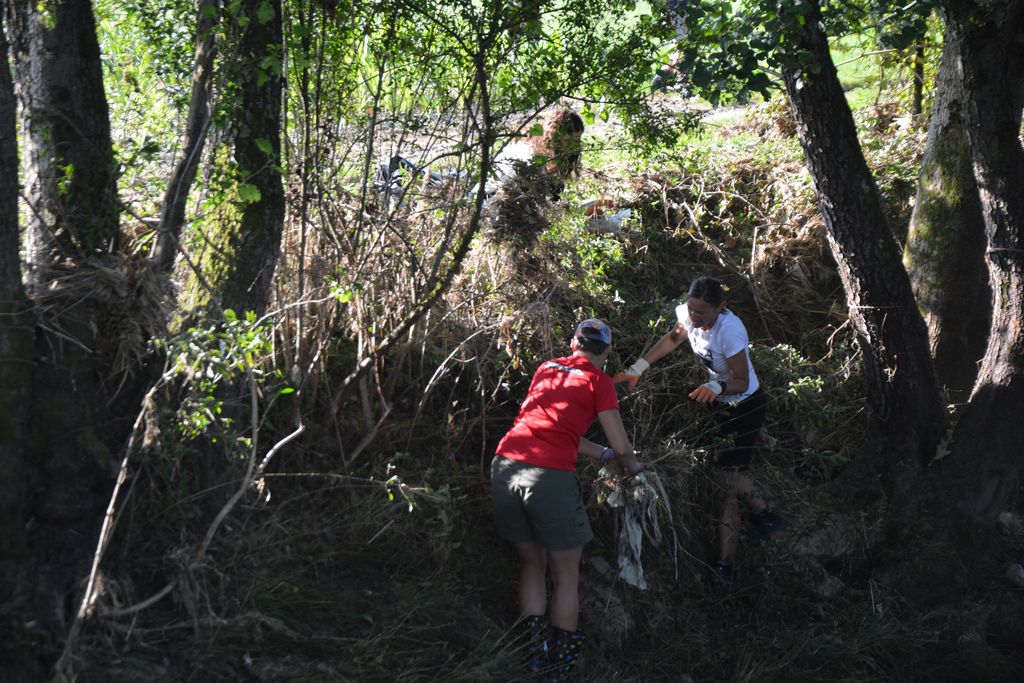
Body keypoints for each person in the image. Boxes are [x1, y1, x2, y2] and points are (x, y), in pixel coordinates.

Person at [491, 318, 643, 679]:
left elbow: (554, 429)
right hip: (548, 478)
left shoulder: (547, 368)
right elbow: (622, 444)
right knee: (566, 575)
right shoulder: (598, 380)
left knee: (533, 563)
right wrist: (636, 470)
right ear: (604, 352)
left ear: (574, 343)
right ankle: (559, 667)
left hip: (505, 465)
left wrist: (604, 455)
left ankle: (532, 653)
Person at [613, 276, 784, 592]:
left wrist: (716, 386)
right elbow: (674, 338)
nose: (694, 317)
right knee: (726, 476)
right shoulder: (687, 314)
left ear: (721, 307)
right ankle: (765, 516)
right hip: (716, 401)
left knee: (726, 483)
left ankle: (730, 561)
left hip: (744, 406)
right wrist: (638, 367)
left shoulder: (730, 331)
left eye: (702, 313)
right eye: (691, 309)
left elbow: (742, 381)